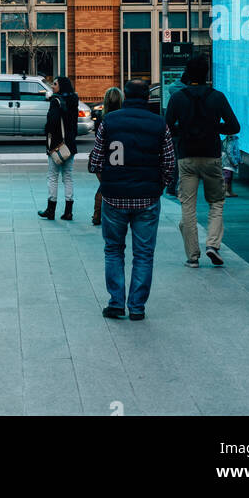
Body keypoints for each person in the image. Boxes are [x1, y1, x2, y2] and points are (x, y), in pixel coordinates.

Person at [88, 78, 176, 320]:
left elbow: (95, 161)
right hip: (147, 198)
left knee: (113, 250)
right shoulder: (159, 124)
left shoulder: (109, 121)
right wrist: (159, 186)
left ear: (125, 95)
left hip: (114, 197)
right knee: (144, 253)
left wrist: (107, 183)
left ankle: (116, 303)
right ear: (147, 97)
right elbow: (169, 164)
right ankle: (137, 306)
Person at [164, 54, 240, 267]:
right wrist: (215, 128)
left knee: (188, 206)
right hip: (211, 156)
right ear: (207, 74)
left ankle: (192, 256)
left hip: (186, 157)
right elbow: (234, 126)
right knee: (216, 203)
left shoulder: (178, 98)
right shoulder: (217, 97)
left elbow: (167, 127)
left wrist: (184, 130)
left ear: (187, 74)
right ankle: (212, 245)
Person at [38, 75, 79, 221]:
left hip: (57, 145)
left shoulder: (55, 101)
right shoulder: (74, 101)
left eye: (55, 84)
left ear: (61, 86)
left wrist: (46, 130)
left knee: (53, 177)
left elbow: (52, 123)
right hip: (70, 145)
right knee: (68, 176)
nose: (53, 86)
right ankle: (68, 211)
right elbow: (74, 125)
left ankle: (51, 209)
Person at [92, 86, 124, 225]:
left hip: (107, 161)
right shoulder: (124, 118)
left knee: (103, 187)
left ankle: (97, 214)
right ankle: (99, 214)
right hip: (122, 159)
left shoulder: (103, 119)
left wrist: (96, 166)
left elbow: (98, 145)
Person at [222, 131, 241, 197]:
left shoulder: (234, 140)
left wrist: (239, 160)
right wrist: (235, 162)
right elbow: (229, 152)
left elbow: (237, 152)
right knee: (227, 177)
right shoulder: (230, 141)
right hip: (228, 163)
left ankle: (229, 191)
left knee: (230, 178)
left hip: (230, 163)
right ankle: (226, 191)